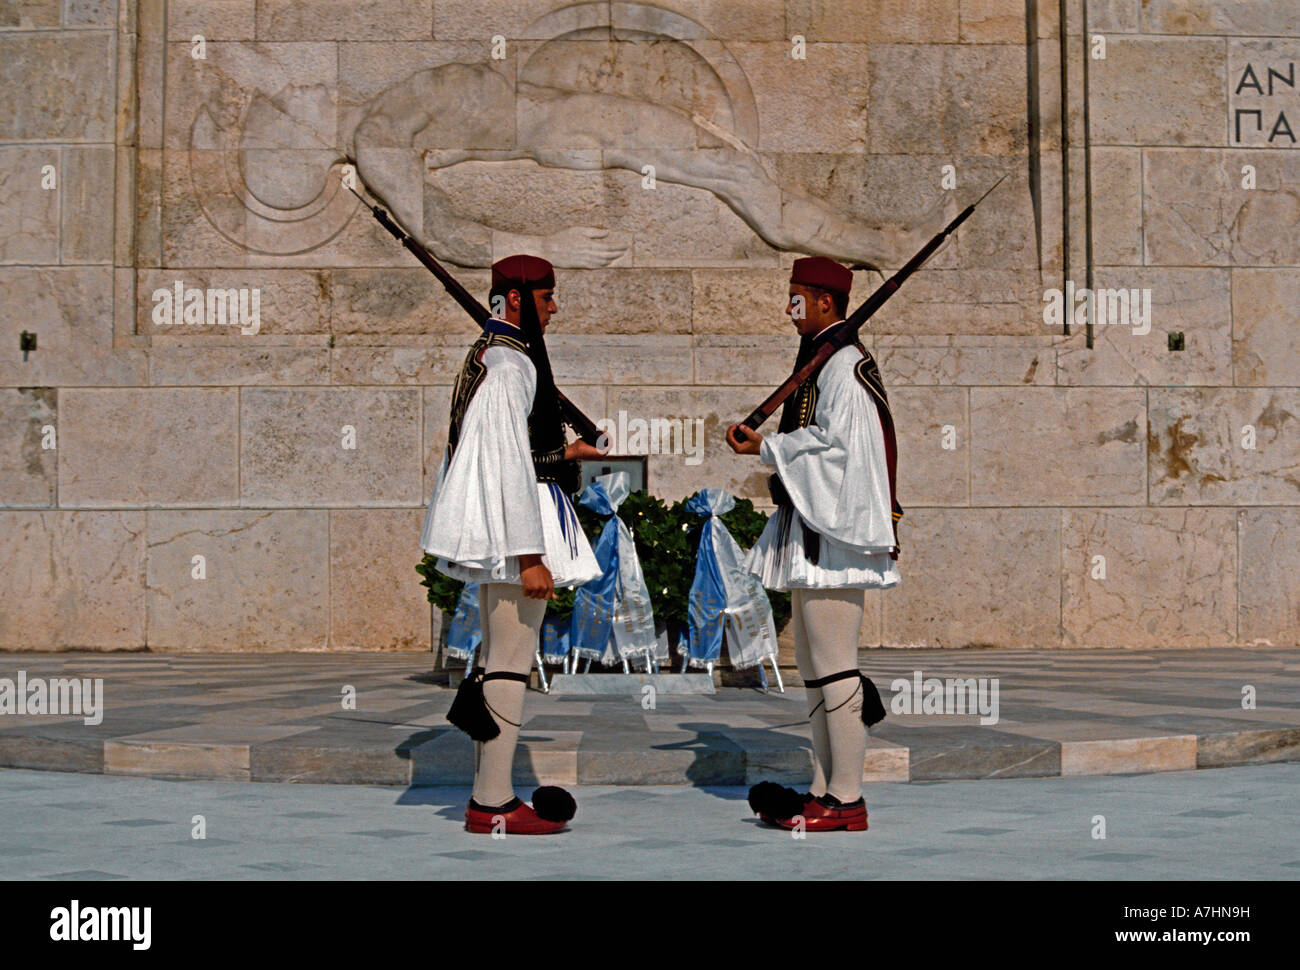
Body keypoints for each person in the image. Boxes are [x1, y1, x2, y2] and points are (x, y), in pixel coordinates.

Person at [421, 254, 605, 834]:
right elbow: (503, 465)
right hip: (513, 532)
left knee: (502, 661)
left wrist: (564, 456)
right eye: (548, 298)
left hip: (506, 526)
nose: (556, 308)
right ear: (521, 300)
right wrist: (530, 556)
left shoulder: (490, 355)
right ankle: (493, 804)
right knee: (508, 665)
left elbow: (510, 454)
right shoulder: (507, 364)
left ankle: (490, 795)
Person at [726, 256, 902, 833]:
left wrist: (768, 451)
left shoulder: (845, 365)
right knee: (816, 672)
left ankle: (848, 799)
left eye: (796, 297)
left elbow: (842, 455)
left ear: (825, 301)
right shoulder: (823, 359)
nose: (789, 307)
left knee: (836, 668)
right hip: (812, 531)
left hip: (836, 533)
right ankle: (826, 788)